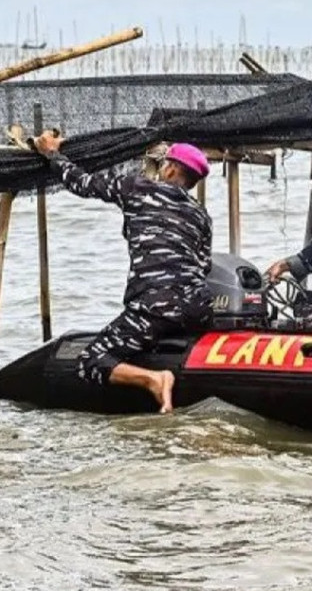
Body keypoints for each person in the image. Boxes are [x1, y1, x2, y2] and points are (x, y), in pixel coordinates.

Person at [34, 133, 213, 413]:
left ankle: (155, 378)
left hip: (153, 308)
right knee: (162, 325)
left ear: (170, 169)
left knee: (91, 361)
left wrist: (52, 155)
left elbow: (82, 183)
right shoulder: (201, 215)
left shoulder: (137, 188)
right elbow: (204, 267)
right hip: (197, 310)